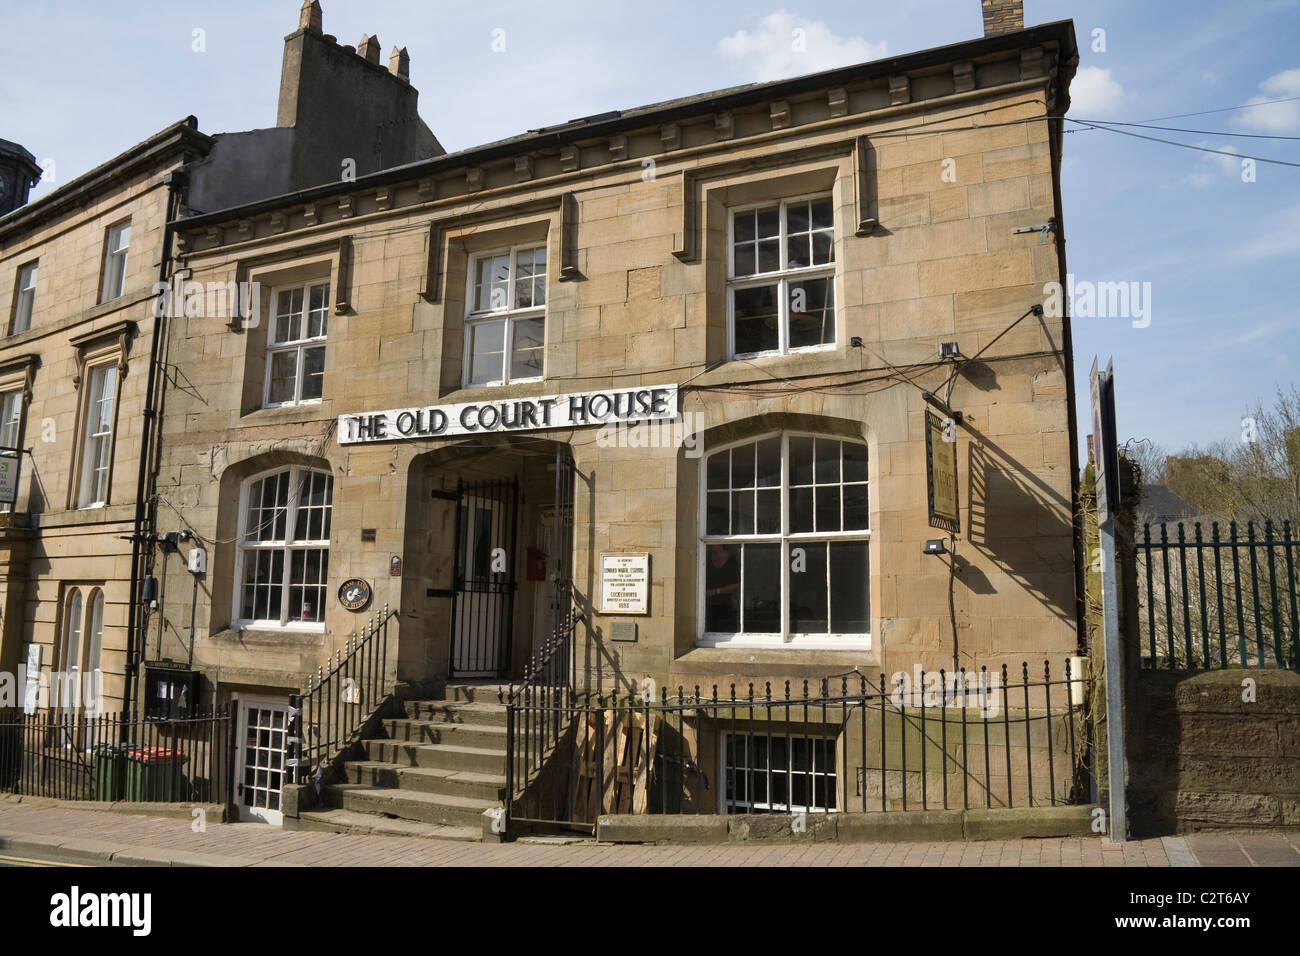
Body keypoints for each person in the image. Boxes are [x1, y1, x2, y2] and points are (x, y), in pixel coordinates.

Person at [704, 543, 740, 632]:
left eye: (713, 543)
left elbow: (736, 585)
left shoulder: (731, 560)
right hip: (706, 604)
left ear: (720, 543)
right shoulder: (706, 557)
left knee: (723, 630)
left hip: (725, 604)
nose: (710, 545)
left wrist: (715, 591)